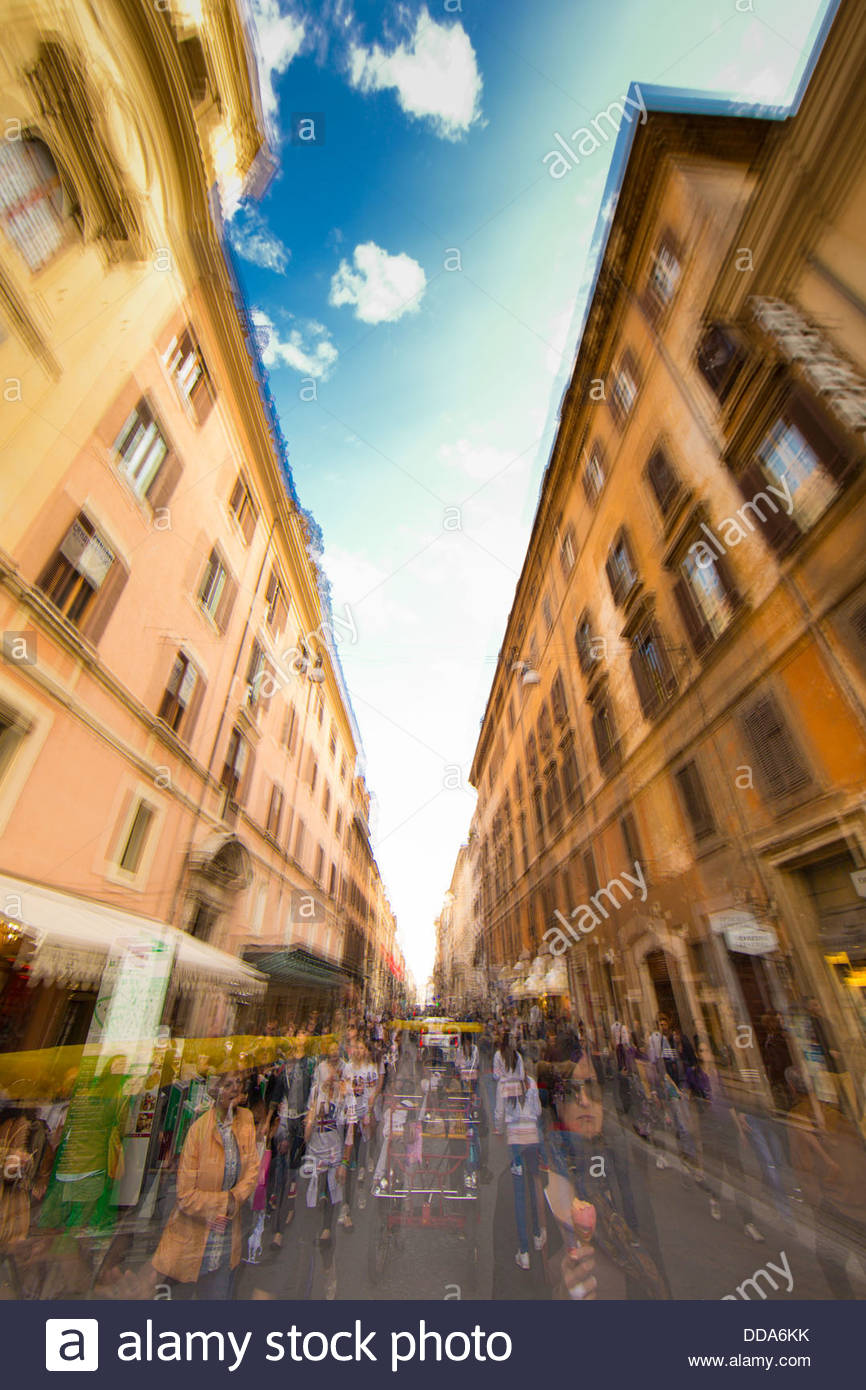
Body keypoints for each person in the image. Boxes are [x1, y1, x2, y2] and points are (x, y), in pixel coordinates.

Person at [150, 1072, 258, 1299]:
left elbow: (252, 1171)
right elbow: (186, 1195)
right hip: (193, 1241)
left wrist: (235, 1200)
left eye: (238, 1082)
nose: (235, 1088)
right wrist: (225, 1202)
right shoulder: (198, 1131)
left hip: (226, 1239)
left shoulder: (246, 1119)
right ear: (215, 1090)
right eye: (228, 1084)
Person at [303, 1050, 356, 1299]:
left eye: (334, 1070)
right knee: (314, 1215)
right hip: (315, 1158)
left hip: (335, 1159)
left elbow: (350, 1133)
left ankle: (329, 1270)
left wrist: (345, 1162)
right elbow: (306, 1134)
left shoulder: (347, 1096)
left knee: (328, 1222)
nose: (330, 1075)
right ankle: (311, 1274)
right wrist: (313, 1116)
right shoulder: (315, 1094)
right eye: (327, 1070)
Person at [266, 1039, 314, 1249]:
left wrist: (309, 1116)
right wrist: (268, 1121)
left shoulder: (307, 1071)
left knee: (293, 1169)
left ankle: (289, 1203)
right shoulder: (284, 1072)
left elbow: (311, 1095)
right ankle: (278, 1226)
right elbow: (276, 1097)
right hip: (285, 1122)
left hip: (300, 1123)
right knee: (282, 1167)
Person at [501, 1052, 545, 1271]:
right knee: (534, 1187)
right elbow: (538, 1111)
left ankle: (524, 1251)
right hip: (532, 1141)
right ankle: (537, 1235)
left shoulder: (507, 1086)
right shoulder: (532, 1083)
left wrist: (500, 1128)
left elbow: (503, 1114)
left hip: (516, 1143)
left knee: (519, 1195)